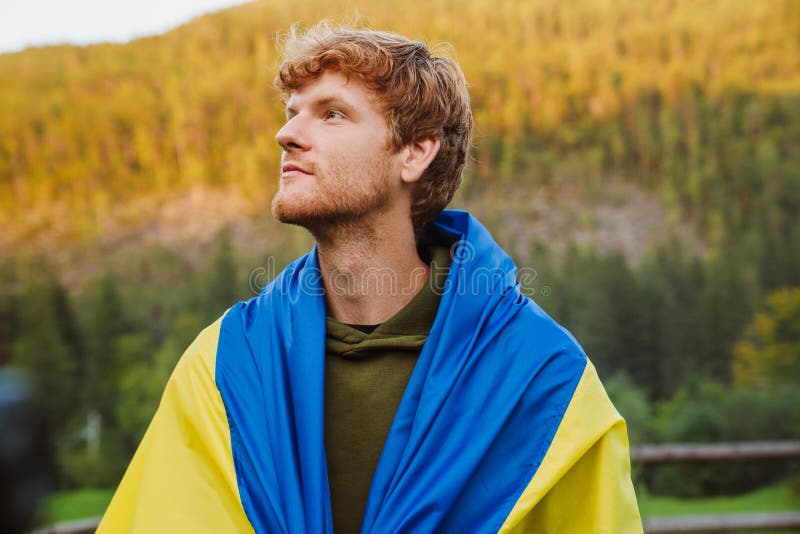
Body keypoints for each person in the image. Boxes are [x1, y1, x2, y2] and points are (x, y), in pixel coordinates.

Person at [98, 24, 642, 533]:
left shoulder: (541, 376)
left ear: (415, 151)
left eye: (331, 114)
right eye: (292, 112)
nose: (285, 134)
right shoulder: (225, 366)